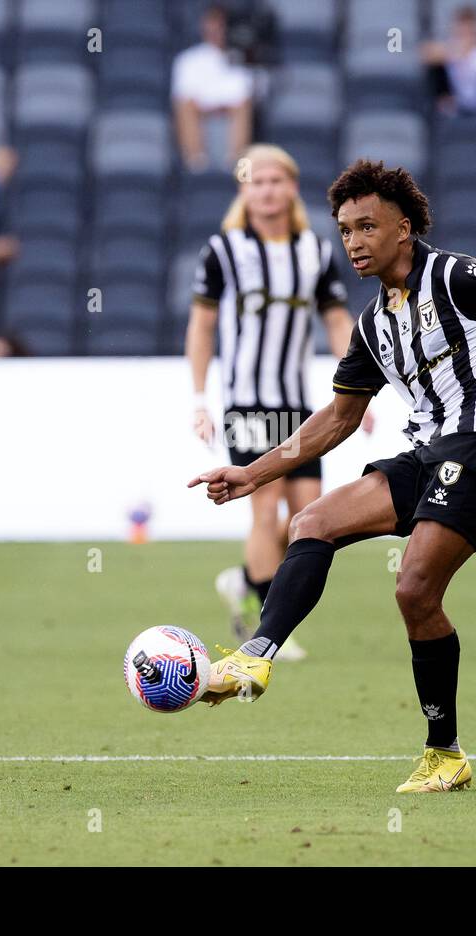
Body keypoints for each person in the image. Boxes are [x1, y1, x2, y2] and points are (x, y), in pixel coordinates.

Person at [188, 160, 476, 793]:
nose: (353, 241)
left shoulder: (458, 277)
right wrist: (254, 472)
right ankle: (254, 660)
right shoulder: (374, 324)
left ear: (404, 229)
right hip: (431, 449)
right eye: (345, 229)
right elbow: (340, 417)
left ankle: (442, 751)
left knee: (411, 586)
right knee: (313, 521)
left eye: (367, 226)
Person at [187, 144, 370, 663]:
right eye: (255, 182)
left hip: (296, 407)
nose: (266, 190)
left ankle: (243, 581)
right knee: (263, 507)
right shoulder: (223, 250)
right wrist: (199, 399)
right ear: (244, 191)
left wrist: (362, 382)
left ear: (291, 187)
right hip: (246, 403)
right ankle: (267, 630)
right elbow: (201, 326)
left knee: (307, 512)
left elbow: (337, 320)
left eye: (275, 181)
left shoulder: (314, 249)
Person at [171, 5, 253, 172]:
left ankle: (235, 163)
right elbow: (185, 95)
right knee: (185, 107)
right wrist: (212, 106)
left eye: (220, 26)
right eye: (212, 26)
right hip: (198, 110)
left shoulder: (240, 58)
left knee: (242, 107)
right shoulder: (188, 59)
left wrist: (217, 105)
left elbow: (241, 94)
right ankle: (196, 163)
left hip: (229, 110)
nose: (216, 31)